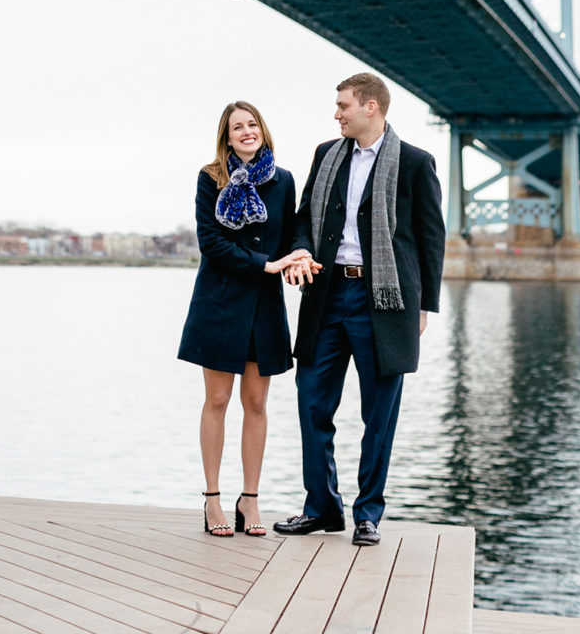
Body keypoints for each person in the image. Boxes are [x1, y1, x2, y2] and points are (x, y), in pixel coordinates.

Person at [274, 72, 445, 547]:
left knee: (379, 414)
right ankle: (320, 508)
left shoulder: (415, 163)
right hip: (327, 296)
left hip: (386, 303)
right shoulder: (326, 155)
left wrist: (425, 305)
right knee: (312, 402)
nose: (337, 113)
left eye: (343, 105)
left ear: (371, 107)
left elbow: (431, 238)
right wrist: (303, 250)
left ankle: (368, 513)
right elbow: (304, 217)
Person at [178, 101, 316, 537]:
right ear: (227, 136)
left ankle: (250, 499)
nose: (246, 131)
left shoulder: (283, 179)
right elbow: (210, 242)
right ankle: (213, 501)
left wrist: (299, 254)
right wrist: (265, 264)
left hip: (265, 306)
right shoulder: (210, 177)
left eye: (252, 124)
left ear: (262, 129)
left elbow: (294, 228)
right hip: (219, 302)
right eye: (237, 126)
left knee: (256, 403)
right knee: (217, 401)